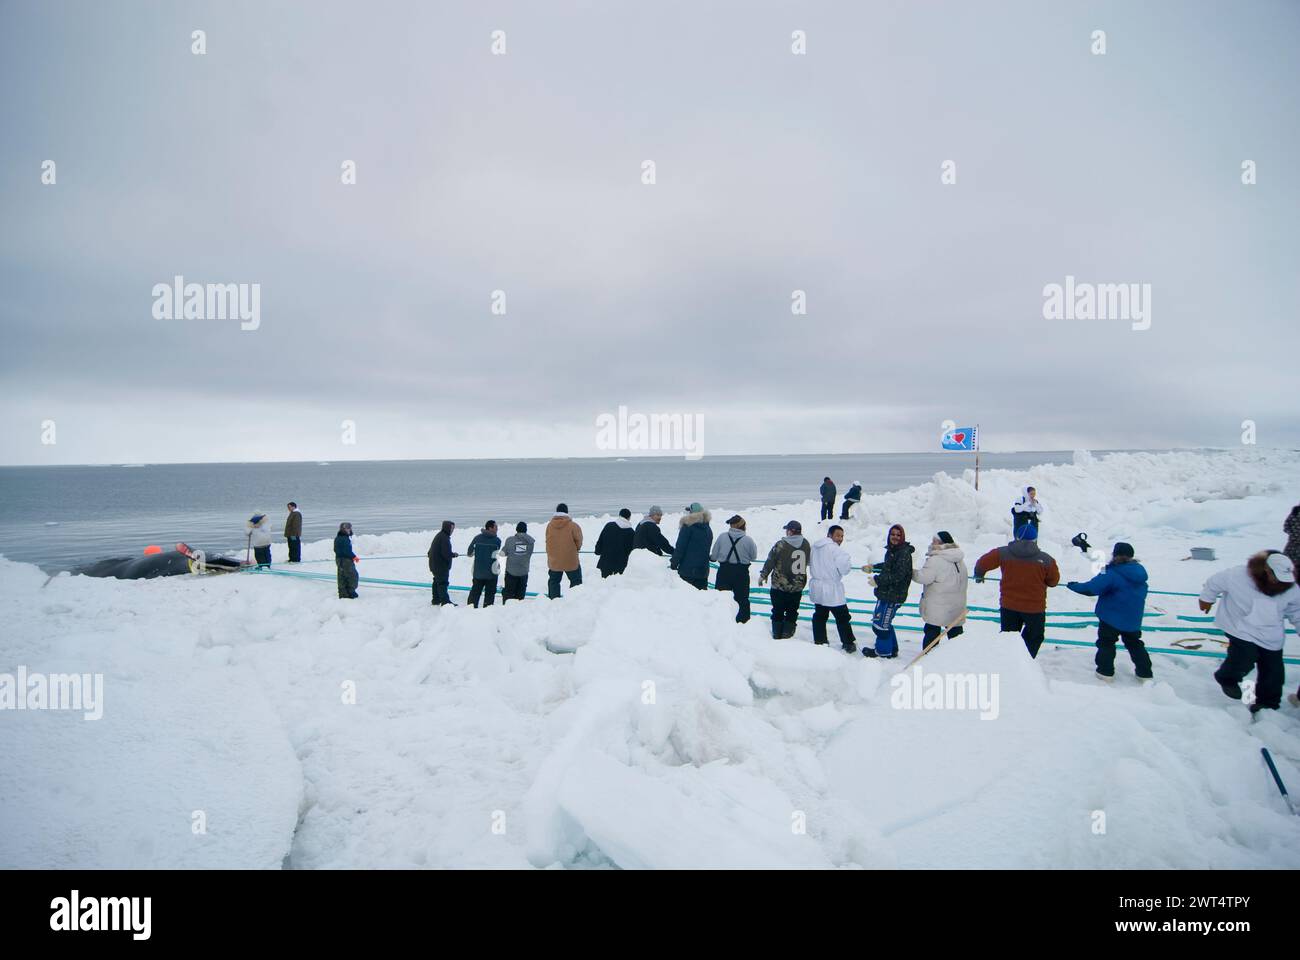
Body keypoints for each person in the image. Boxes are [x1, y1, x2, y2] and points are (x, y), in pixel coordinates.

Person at [1199, 551, 1300, 713]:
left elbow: (1297, 611)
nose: (1279, 582)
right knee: (1244, 656)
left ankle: (1267, 704)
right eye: (1276, 577)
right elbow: (1214, 583)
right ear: (1266, 570)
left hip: (1270, 633)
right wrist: (1206, 599)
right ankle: (1227, 678)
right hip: (1240, 626)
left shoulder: (1291, 588)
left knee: (1273, 670)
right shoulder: (1238, 575)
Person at [1067, 541, 1152, 682]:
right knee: (1135, 644)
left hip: (1110, 616)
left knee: (1106, 643)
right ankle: (1145, 673)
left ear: (1115, 555)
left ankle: (1105, 672)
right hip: (1132, 618)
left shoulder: (1111, 572)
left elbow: (1092, 588)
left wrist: (1074, 586)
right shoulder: (1140, 572)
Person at [973, 525, 1060, 658]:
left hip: (1009, 605)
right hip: (1034, 608)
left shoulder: (1003, 553)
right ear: (1035, 539)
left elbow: (982, 562)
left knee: (1008, 637)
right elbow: (1053, 581)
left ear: (1017, 537)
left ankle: (1009, 661)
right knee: (1034, 637)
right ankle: (1026, 661)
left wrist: (979, 574)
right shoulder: (1046, 559)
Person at [809, 524, 869, 651]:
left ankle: (820, 640)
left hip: (818, 588)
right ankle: (848, 642)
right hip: (832, 589)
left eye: (842, 536)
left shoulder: (815, 547)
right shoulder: (837, 550)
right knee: (842, 617)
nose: (840, 539)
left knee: (820, 615)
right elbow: (845, 569)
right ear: (830, 535)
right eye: (837, 535)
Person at [911, 531, 968, 651]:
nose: (931, 543)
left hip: (938, 605)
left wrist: (911, 572)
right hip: (956, 605)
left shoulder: (936, 560)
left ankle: (928, 658)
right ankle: (960, 657)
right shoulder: (959, 559)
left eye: (934, 541)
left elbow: (923, 577)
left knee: (932, 633)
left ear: (941, 543)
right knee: (955, 635)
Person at [865, 523, 914, 658]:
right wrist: (874, 567)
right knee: (882, 623)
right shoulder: (893, 550)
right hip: (887, 593)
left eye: (898, 535)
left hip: (894, 595)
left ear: (902, 537)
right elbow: (889, 567)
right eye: (893, 534)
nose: (895, 537)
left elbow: (898, 575)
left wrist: (878, 580)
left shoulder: (904, 553)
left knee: (881, 626)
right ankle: (891, 649)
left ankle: (883, 653)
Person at [760, 521, 811, 639]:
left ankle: (777, 634)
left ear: (790, 531)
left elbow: (770, 561)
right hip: (797, 586)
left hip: (779, 585)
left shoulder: (781, 544)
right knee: (792, 612)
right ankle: (787, 634)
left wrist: (764, 575)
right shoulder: (806, 544)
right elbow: (808, 561)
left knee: (777, 611)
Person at [710, 514, 758, 623]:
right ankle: (743, 623)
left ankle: (721, 621)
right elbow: (753, 557)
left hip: (724, 571)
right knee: (742, 599)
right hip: (741, 572)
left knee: (721, 598)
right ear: (743, 526)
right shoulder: (748, 540)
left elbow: (714, 556)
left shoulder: (722, 537)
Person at [670, 502, 713, 589]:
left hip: (687, 571)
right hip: (703, 571)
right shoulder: (707, 528)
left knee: (687, 597)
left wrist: (674, 563)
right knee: (702, 598)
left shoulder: (687, 528)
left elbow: (680, 548)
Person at [545, 503, 583, 598]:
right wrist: (576, 549)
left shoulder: (550, 525)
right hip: (570, 559)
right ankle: (575, 599)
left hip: (554, 560)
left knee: (554, 581)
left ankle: (554, 600)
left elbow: (547, 540)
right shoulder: (573, 526)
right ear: (567, 512)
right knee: (576, 580)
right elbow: (579, 540)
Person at [466, 521, 502, 607]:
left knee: (475, 593)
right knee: (489, 595)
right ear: (490, 528)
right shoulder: (497, 541)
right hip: (491, 573)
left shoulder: (477, 538)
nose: (497, 529)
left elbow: (469, 553)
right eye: (495, 527)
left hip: (478, 572)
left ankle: (470, 610)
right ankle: (487, 611)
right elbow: (497, 555)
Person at [499, 522, 535, 602]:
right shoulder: (531, 543)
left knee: (508, 595)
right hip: (524, 572)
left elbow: (502, 554)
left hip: (511, 572)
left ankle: (507, 609)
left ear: (516, 529)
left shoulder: (510, 540)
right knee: (520, 597)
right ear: (526, 530)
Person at [595, 509, 636, 578]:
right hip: (621, 564)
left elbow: (600, 541)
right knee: (618, 585)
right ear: (629, 518)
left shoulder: (609, 526)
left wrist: (597, 551)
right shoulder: (631, 532)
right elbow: (631, 549)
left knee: (605, 585)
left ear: (619, 515)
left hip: (606, 562)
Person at [428, 520, 459, 606]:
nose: (453, 530)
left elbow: (429, 552)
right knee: (442, 583)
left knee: (436, 582)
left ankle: (436, 599)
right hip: (440, 566)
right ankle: (445, 602)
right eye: (452, 528)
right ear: (447, 528)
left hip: (434, 565)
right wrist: (454, 554)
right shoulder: (444, 538)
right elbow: (446, 553)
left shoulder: (439, 536)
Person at [334, 522, 359, 599]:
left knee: (341, 576)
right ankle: (351, 592)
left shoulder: (337, 538)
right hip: (346, 561)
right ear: (344, 529)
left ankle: (343, 593)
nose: (350, 530)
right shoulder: (344, 539)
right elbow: (347, 551)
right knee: (353, 576)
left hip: (339, 560)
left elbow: (335, 550)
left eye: (350, 528)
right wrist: (354, 557)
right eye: (348, 528)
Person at [1285, 504, 1300, 570]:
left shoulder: (1294, 512)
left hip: (1292, 543)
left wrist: (1292, 534)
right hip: (1293, 543)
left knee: (1286, 562)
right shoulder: (1294, 513)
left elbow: (1286, 526)